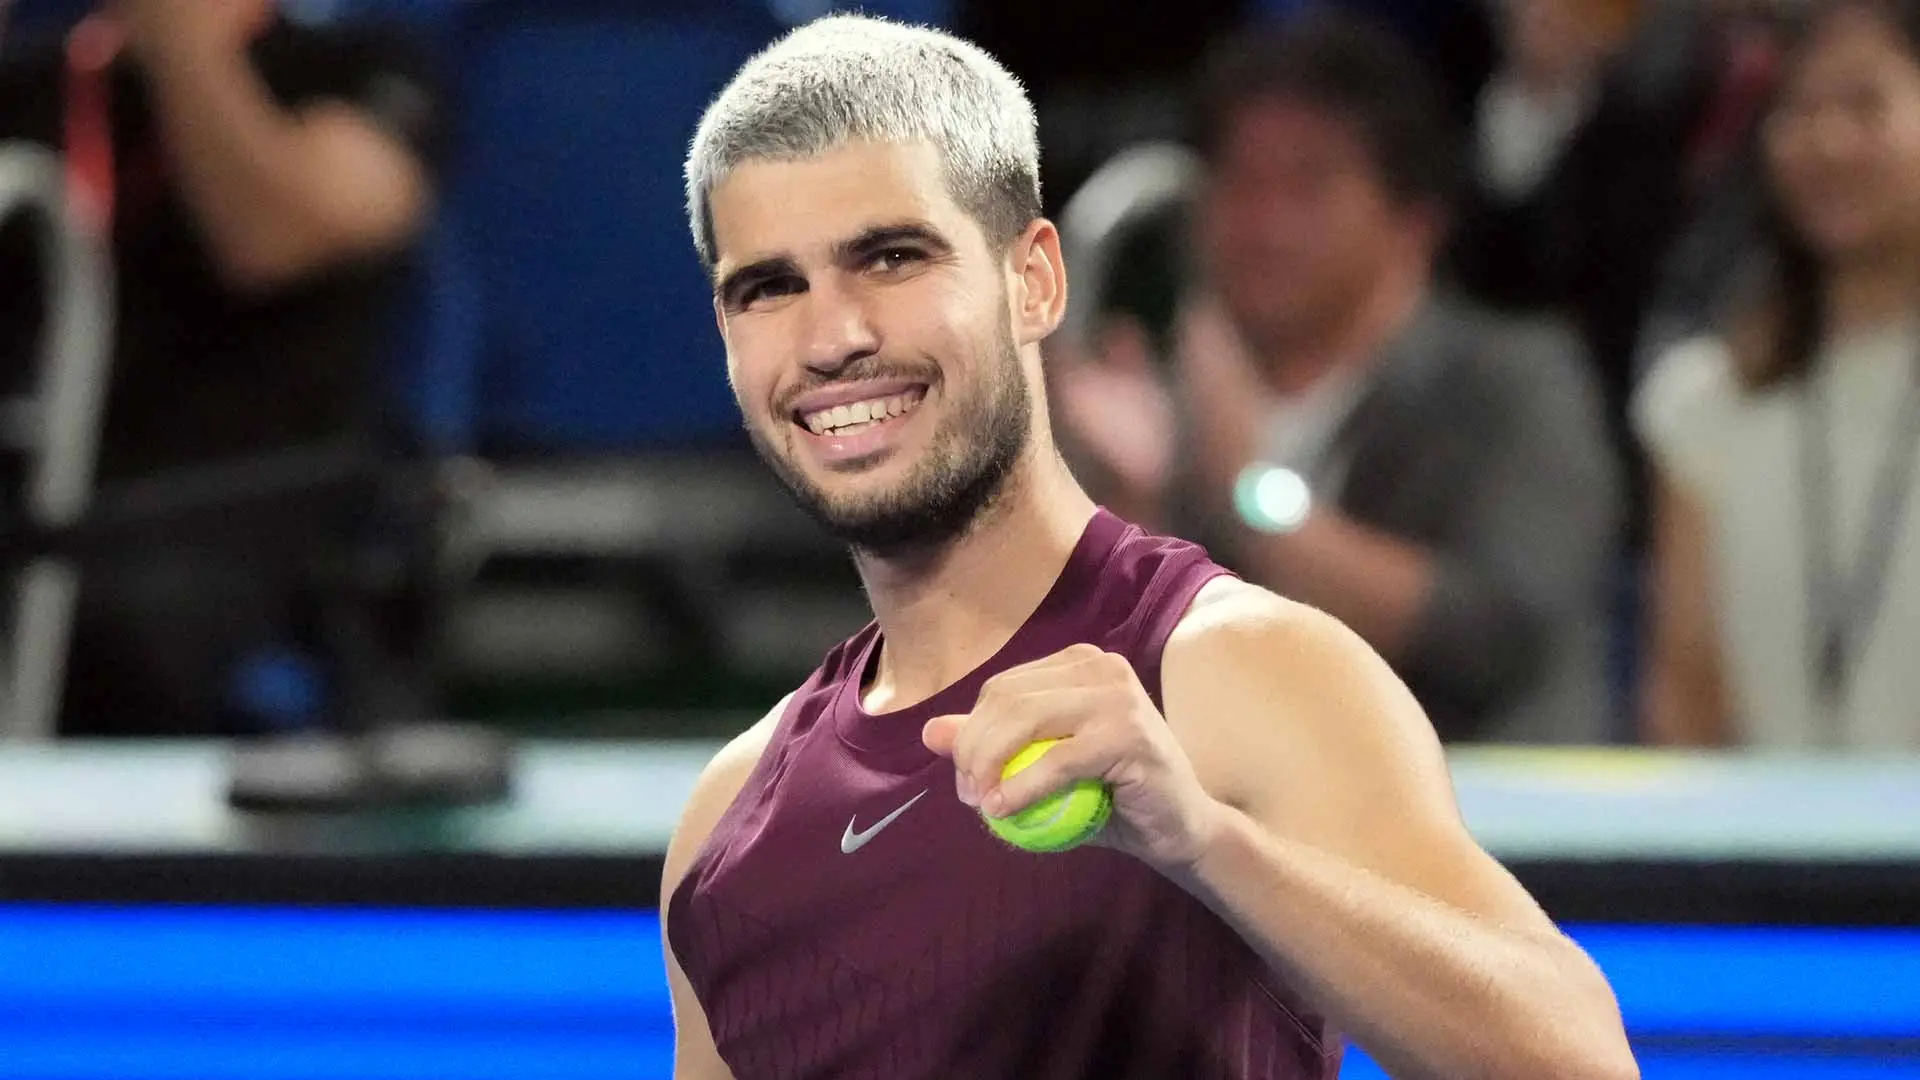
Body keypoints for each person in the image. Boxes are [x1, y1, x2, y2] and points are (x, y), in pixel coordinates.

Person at [662, 15, 1636, 1080]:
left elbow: (1582, 1064)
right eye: (768, 288)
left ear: (1035, 281)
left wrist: (1203, 843)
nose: (832, 338)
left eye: (893, 257)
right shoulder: (726, 824)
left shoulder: (1240, 669)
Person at [1053, 14, 1623, 744]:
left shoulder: (1518, 383)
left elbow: (1489, 637)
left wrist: (1252, 495)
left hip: (1484, 801)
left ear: (1414, 221)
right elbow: (1138, 672)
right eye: (1240, 182)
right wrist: (1130, 509)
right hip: (1233, 804)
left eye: (1308, 184)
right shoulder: (1167, 398)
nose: (1265, 222)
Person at [0, 0, 444, 734]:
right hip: (43, 495)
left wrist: (182, 48)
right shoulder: (45, 85)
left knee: (114, 629)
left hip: (238, 513)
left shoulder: (357, 71)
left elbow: (269, 239)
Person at [1635, 0, 1920, 750]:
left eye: (1865, 104)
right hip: (1759, 819)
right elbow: (1686, 688)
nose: (1827, 140)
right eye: (1798, 110)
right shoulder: (1707, 399)